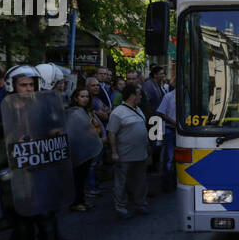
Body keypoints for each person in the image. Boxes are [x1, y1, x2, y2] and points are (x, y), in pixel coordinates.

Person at [0, 65, 68, 240]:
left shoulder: (45, 108)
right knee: (21, 218)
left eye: (31, 85)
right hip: (16, 172)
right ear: (12, 86)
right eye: (24, 85)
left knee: (46, 215)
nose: (29, 89)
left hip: (41, 168)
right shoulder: (1, 111)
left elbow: (57, 134)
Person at [107, 82, 150, 219]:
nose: (141, 97)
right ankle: (120, 207)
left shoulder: (138, 109)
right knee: (122, 181)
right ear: (132, 96)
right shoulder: (117, 112)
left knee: (140, 180)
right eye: (139, 94)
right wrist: (114, 152)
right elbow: (112, 133)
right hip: (124, 154)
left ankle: (140, 203)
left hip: (140, 153)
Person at [68, 88, 103, 212]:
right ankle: (75, 202)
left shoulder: (86, 111)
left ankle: (81, 200)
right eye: (82, 96)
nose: (85, 99)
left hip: (87, 148)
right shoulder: (73, 112)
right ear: (76, 98)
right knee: (77, 177)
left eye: (87, 96)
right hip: (78, 149)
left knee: (82, 177)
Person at [154, 80, 178, 193]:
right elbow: (161, 113)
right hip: (171, 130)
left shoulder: (188, 96)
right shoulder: (168, 97)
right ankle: (167, 184)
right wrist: (174, 122)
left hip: (183, 131)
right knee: (169, 158)